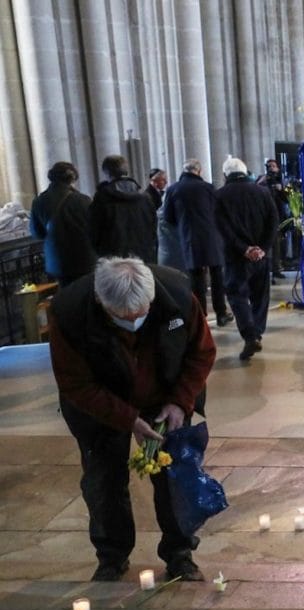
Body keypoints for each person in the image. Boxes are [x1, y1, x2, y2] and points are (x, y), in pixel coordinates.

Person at [47, 257, 216, 582]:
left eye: (141, 314)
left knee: (174, 479)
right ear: (102, 304)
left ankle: (180, 554)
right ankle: (111, 556)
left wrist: (180, 402)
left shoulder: (178, 297)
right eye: (124, 319)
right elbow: (75, 383)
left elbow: (202, 353)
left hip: (165, 397)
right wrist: (129, 419)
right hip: (100, 406)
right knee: (103, 482)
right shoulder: (69, 312)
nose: (135, 323)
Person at [214, 157, 277, 360]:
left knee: (237, 295)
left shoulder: (219, 196)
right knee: (260, 296)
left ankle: (250, 335)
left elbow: (222, 228)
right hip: (261, 257)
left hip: (236, 256)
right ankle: (256, 332)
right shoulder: (263, 192)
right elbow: (273, 222)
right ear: (245, 171)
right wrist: (263, 249)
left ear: (225, 175)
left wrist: (244, 249)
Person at [163, 159, 233, 328]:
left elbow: (168, 217)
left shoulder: (173, 189)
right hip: (212, 237)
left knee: (196, 279)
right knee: (217, 276)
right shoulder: (208, 188)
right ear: (199, 171)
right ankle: (221, 313)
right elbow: (218, 211)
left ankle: (200, 316)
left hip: (190, 237)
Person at [29, 161, 95, 286]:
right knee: (87, 291)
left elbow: (36, 233)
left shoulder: (39, 201)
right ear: (72, 179)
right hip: (84, 258)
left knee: (66, 292)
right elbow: (95, 228)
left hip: (57, 260)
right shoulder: (83, 200)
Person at [89, 155, 157, 263]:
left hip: (113, 257)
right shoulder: (145, 197)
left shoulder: (102, 198)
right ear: (126, 171)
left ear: (107, 173)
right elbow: (153, 228)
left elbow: (94, 231)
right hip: (142, 255)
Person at [255, 159, 290, 279]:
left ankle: (276, 269)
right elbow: (255, 192)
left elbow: (287, 199)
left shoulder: (281, 181)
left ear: (278, 169)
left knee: (276, 244)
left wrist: (281, 189)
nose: (272, 168)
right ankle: (263, 267)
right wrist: (261, 182)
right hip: (263, 216)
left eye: (274, 166)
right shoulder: (262, 179)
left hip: (277, 216)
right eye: (270, 166)